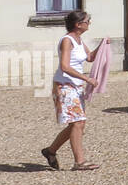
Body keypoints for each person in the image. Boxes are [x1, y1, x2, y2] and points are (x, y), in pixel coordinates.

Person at [41, 10, 98, 171]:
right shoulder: (67, 41)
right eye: (88, 20)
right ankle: (79, 162)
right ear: (78, 24)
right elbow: (65, 66)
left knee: (78, 123)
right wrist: (87, 79)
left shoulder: (79, 40)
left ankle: (50, 151)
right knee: (77, 123)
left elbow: (90, 57)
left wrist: (103, 45)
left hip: (75, 86)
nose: (89, 23)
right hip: (64, 86)